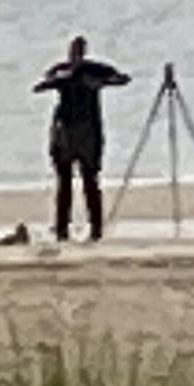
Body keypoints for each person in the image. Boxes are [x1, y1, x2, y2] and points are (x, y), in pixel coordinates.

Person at [34, 34, 128, 240]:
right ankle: (61, 229)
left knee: (90, 182)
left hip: (87, 132)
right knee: (65, 183)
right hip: (66, 132)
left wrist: (99, 82)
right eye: (73, 50)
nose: (75, 55)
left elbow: (121, 79)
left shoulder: (93, 69)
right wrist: (59, 79)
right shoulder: (62, 70)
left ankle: (95, 228)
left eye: (78, 50)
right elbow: (43, 84)